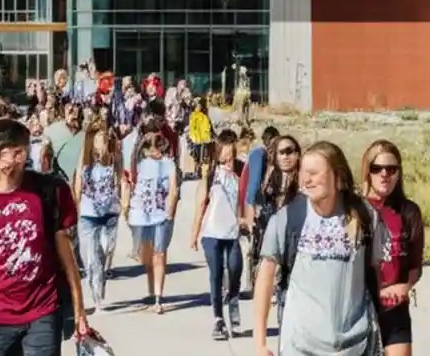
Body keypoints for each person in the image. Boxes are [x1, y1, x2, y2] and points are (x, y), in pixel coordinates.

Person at [0, 118, 89, 356]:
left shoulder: (49, 191)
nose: (11, 160)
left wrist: (78, 306)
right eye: (3, 153)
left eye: (18, 152)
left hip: (43, 309)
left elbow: (67, 252)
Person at [254, 141, 389, 356]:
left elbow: (378, 277)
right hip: (300, 346)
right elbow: (265, 279)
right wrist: (260, 343)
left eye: (314, 173)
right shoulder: (287, 219)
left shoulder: (366, 216)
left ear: (338, 177)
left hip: (355, 346)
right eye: (304, 172)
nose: (307, 179)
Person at [361, 140, 425, 356]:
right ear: (367, 172)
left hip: (394, 310)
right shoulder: (356, 210)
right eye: (377, 168)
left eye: (391, 169)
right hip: (358, 309)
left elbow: (415, 264)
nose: (384, 174)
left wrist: (405, 286)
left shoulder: (409, 212)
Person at [190, 128, 246, 340]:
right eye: (225, 153)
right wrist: (194, 234)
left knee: (234, 269)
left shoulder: (242, 171)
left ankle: (232, 303)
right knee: (215, 273)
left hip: (232, 233)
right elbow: (200, 204)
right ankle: (218, 320)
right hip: (211, 232)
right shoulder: (211, 173)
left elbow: (248, 199)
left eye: (231, 153)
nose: (228, 158)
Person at [123, 130, 179, 314]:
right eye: (151, 146)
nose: (155, 150)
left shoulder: (168, 164)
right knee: (146, 256)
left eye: (157, 145)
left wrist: (170, 212)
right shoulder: (138, 163)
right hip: (141, 215)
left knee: (159, 254)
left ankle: (158, 297)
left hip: (161, 214)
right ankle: (151, 289)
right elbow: (128, 181)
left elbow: (173, 189)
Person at [247, 133, 301, 316]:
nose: (285, 156)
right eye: (281, 153)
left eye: (290, 152)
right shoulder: (270, 181)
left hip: (298, 251)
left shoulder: (305, 183)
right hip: (275, 251)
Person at [74, 119, 122, 311]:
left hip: (110, 211)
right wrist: (76, 204)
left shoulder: (114, 157)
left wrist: (124, 202)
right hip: (88, 212)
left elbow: (121, 180)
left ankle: (100, 279)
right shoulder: (84, 158)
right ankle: (94, 291)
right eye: (98, 139)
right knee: (90, 255)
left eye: (103, 139)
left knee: (105, 250)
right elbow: (78, 179)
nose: (101, 143)